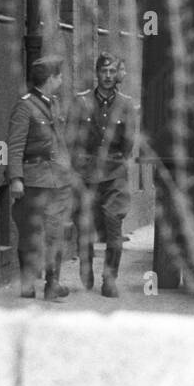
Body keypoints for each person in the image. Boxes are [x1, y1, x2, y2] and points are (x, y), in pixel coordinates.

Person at [69, 51, 138, 298]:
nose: (107, 76)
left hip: (114, 173)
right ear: (96, 73)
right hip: (85, 173)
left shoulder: (126, 104)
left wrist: (116, 162)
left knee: (113, 225)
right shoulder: (81, 101)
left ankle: (110, 279)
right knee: (84, 224)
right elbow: (71, 137)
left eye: (112, 72)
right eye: (103, 71)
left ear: (117, 75)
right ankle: (85, 264)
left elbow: (128, 143)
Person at [7, 56, 73, 301]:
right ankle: (27, 284)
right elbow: (14, 145)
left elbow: (60, 142)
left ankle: (51, 284)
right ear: (51, 79)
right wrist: (16, 178)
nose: (62, 80)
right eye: (59, 76)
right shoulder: (25, 106)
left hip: (57, 181)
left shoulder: (54, 103)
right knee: (29, 233)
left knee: (54, 232)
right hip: (33, 181)